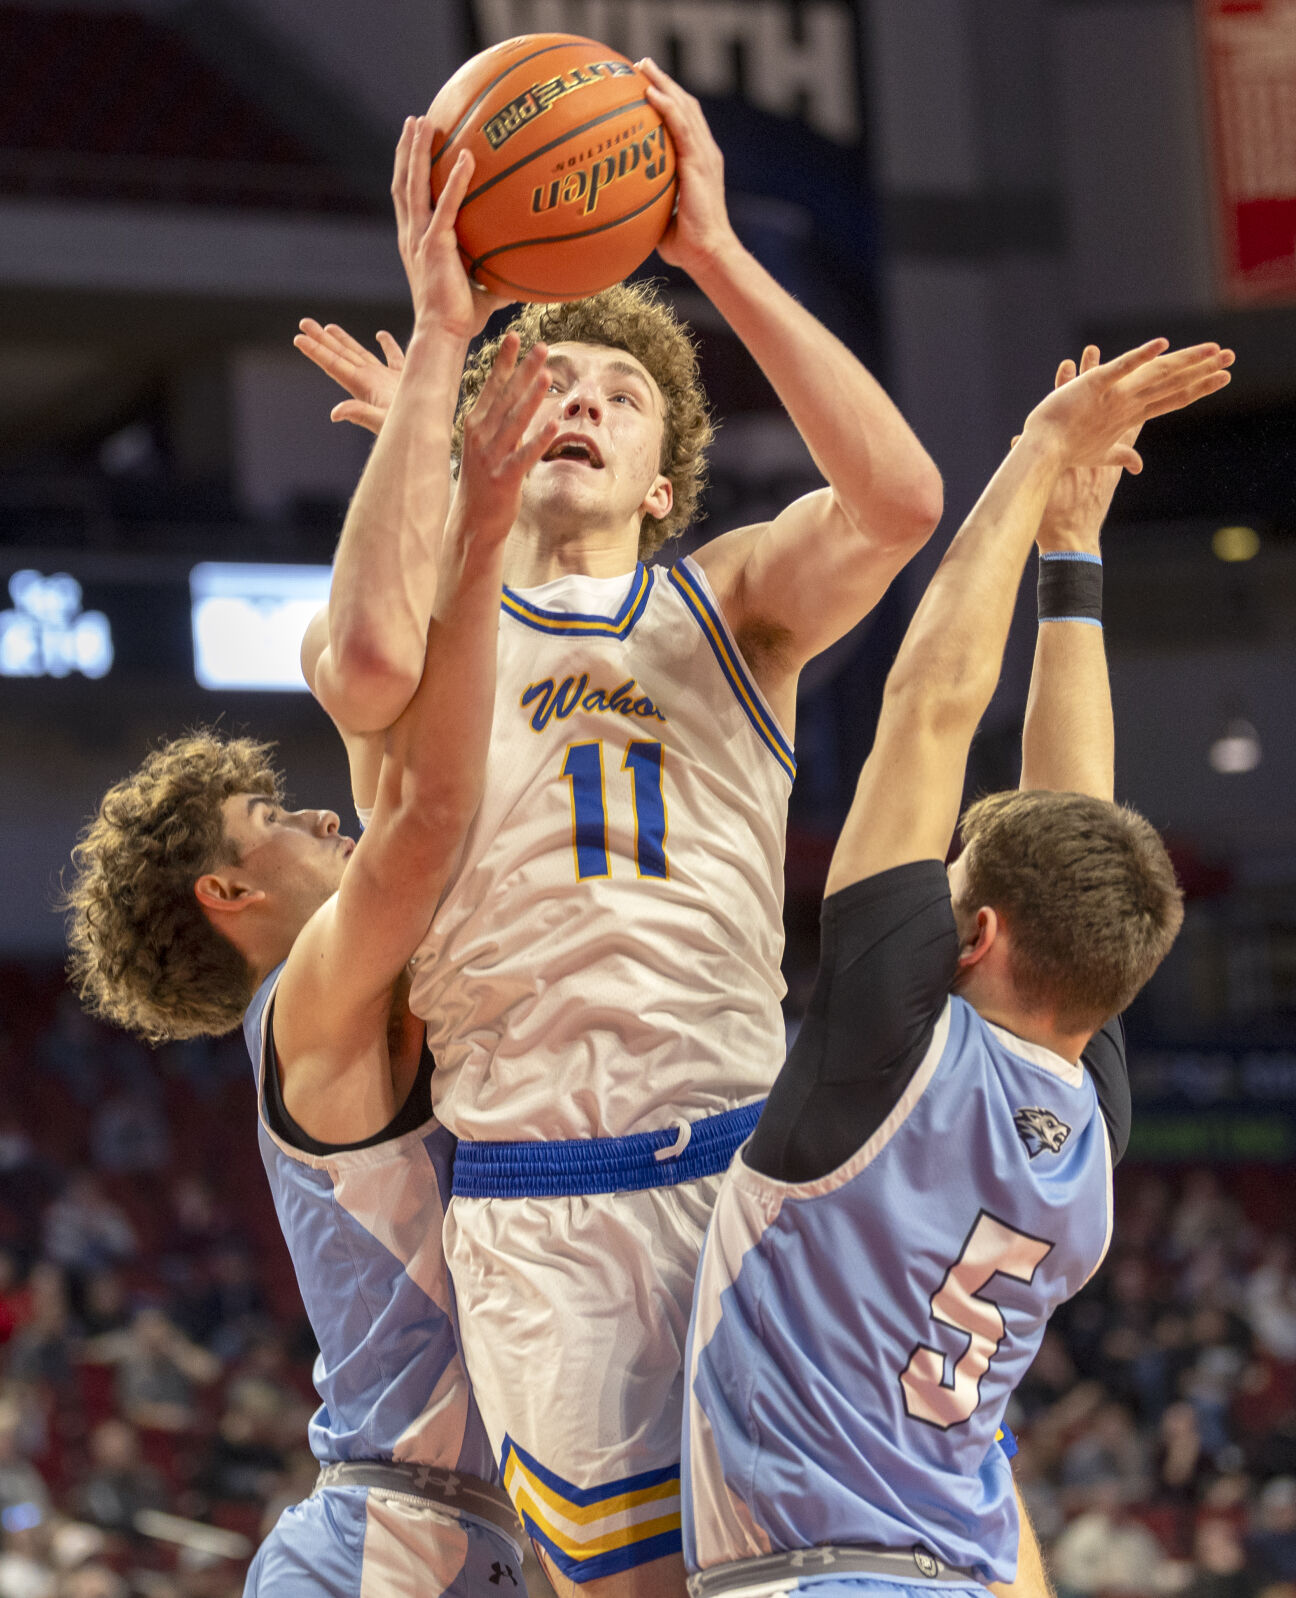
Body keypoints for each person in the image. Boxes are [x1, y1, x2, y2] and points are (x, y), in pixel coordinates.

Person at [295, 62, 943, 1597]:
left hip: (750, 1164)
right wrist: (450, 350)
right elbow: (369, 660)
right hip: (547, 1193)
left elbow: (902, 498)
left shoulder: (729, 605)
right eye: (559, 377)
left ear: (667, 487)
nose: (583, 398)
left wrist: (713, 251)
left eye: (625, 394)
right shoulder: (439, 634)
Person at [62, 173, 558, 1596]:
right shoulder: (308, 1005)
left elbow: (401, 730)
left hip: (483, 1533)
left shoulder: (347, 987)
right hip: (385, 1544)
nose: (320, 817)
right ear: (227, 892)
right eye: (274, 816)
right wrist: (458, 475)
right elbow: (425, 792)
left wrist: (437, 451)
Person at [681, 338, 1234, 1598]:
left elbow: (931, 700)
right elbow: (1072, 817)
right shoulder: (1091, 1121)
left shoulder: (888, 1056)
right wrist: (1070, 561)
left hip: (824, 1576)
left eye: (951, 881)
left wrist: (1037, 453)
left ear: (972, 936)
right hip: (963, 1568)